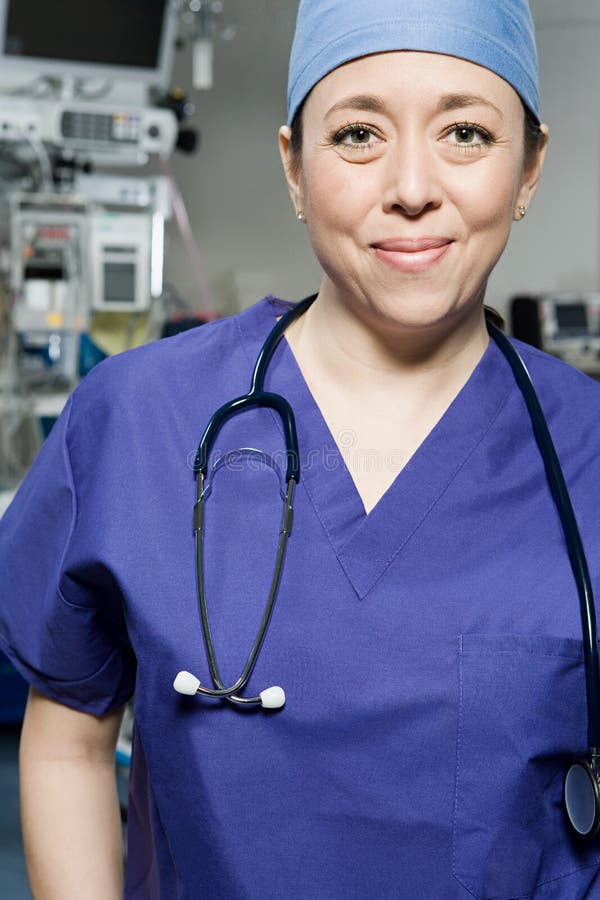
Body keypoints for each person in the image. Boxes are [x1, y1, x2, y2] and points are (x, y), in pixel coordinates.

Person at [2, 0, 600, 896]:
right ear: (293, 166)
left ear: (529, 168)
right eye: (358, 133)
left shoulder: (586, 452)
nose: (410, 184)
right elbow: (68, 743)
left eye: (466, 133)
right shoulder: (139, 420)